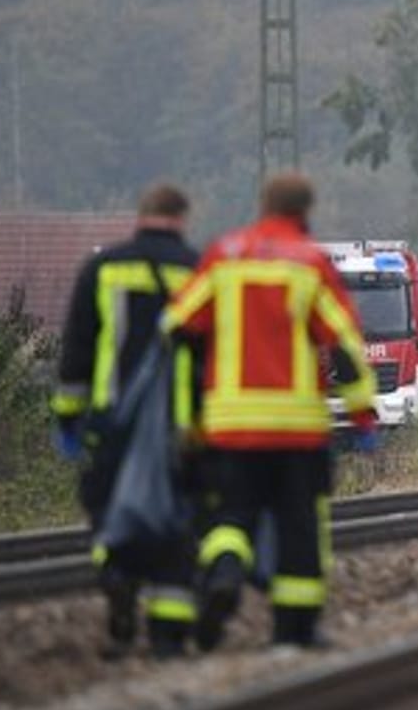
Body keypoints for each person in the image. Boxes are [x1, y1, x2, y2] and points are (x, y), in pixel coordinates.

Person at [161, 173, 379, 651]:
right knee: (299, 526)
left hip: (230, 426)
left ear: (262, 205)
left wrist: (191, 400)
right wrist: (363, 414)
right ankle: (293, 630)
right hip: (296, 430)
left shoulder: (223, 255)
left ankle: (224, 571)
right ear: (305, 211)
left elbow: (177, 324)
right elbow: (343, 344)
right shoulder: (311, 263)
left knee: (230, 517)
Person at [53, 182, 201, 659]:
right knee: (177, 522)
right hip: (181, 428)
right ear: (183, 217)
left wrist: (69, 420)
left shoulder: (103, 268)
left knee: (109, 508)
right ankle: (167, 633)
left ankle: (116, 577)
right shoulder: (199, 272)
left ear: (141, 214)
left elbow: (78, 349)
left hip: (112, 422)